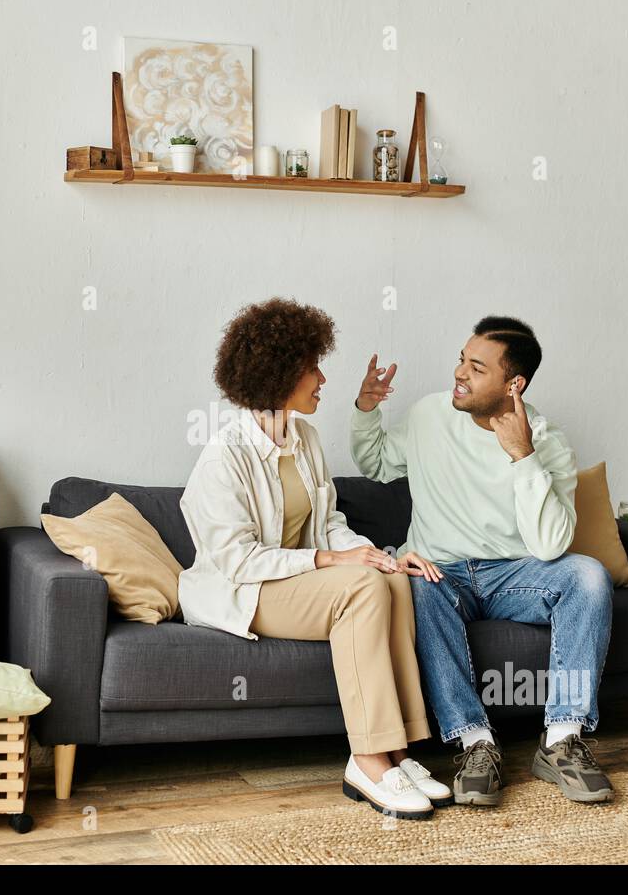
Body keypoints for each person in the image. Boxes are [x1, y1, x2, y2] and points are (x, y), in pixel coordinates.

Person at [178, 297, 451, 820]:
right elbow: (239, 560)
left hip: (292, 580)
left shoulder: (304, 437)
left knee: (389, 582)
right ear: (280, 374)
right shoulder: (223, 456)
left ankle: (397, 751)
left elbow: (327, 521)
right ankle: (367, 760)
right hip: (242, 591)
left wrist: (375, 555)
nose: (322, 378)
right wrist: (330, 562)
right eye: (311, 368)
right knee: (362, 588)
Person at [350, 315, 615, 806]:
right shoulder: (430, 415)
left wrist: (523, 457)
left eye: (476, 367)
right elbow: (378, 464)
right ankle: (476, 744)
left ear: (514, 383)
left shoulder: (546, 439)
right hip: (442, 572)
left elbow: (553, 545)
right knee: (416, 585)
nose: (459, 373)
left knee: (589, 575)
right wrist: (367, 408)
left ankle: (561, 741)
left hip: (516, 574)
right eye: (461, 360)